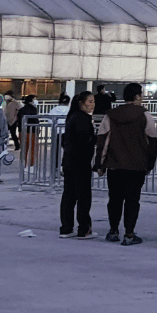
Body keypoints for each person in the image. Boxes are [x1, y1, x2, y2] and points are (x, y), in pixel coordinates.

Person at [96, 82, 157, 244]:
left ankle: (113, 230)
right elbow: (152, 140)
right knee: (132, 200)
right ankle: (129, 234)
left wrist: (100, 163)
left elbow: (102, 139)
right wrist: (150, 163)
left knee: (114, 199)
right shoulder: (144, 114)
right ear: (137, 96)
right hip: (137, 165)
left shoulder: (111, 114)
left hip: (115, 165)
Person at [59, 90, 98, 238]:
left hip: (69, 161)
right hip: (80, 162)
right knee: (83, 196)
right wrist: (96, 139)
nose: (92, 105)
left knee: (69, 195)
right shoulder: (82, 119)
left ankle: (66, 228)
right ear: (81, 103)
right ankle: (84, 228)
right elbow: (84, 140)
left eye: (93, 102)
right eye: (89, 102)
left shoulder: (72, 117)